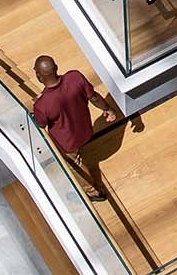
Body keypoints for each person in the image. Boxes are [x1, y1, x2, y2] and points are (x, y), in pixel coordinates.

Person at [32, 55, 120, 202]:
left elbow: (40, 125)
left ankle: (94, 191)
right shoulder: (75, 77)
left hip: (67, 144)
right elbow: (94, 97)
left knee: (74, 164)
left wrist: (38, 106)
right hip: (85, 130)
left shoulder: (42, 105)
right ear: (56, 68)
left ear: (38, 76)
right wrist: (108, 109)